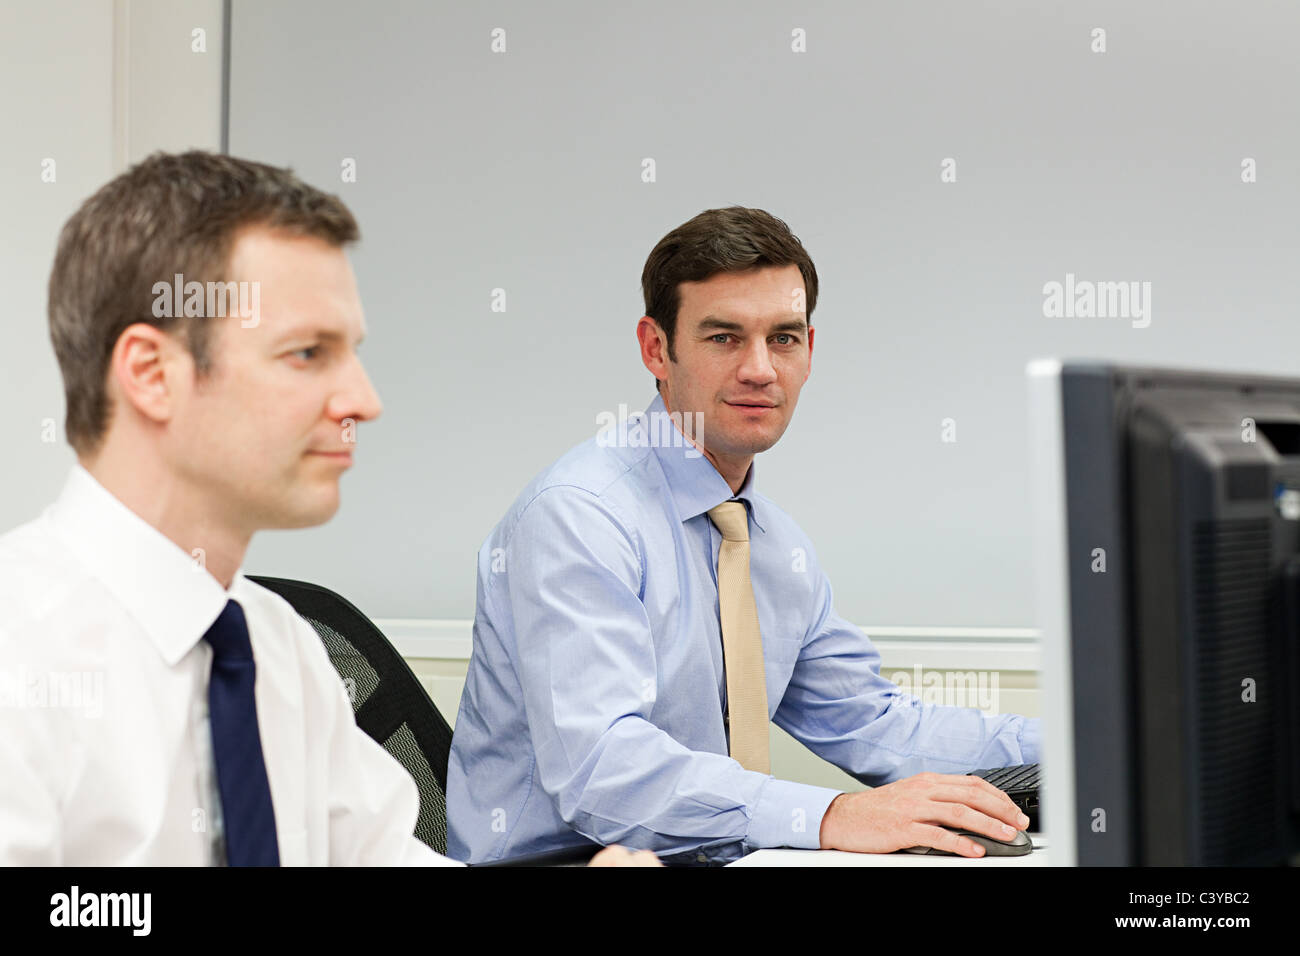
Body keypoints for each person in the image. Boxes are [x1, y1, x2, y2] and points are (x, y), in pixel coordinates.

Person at [0, 151, 659, 868]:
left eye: (353, 353)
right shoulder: (21, 653)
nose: (364, 402)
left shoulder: (278, 648)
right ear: (154, 375)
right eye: (308, 353)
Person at [446, 206, 1041, 864]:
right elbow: (603, 773)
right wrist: (835, 814)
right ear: (656, 348)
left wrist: (1086, 744)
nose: (760, 369)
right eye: (725, 337)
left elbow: (872, 721)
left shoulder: (770, 544)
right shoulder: (579, 516)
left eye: (783, 338)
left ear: (809, 352)